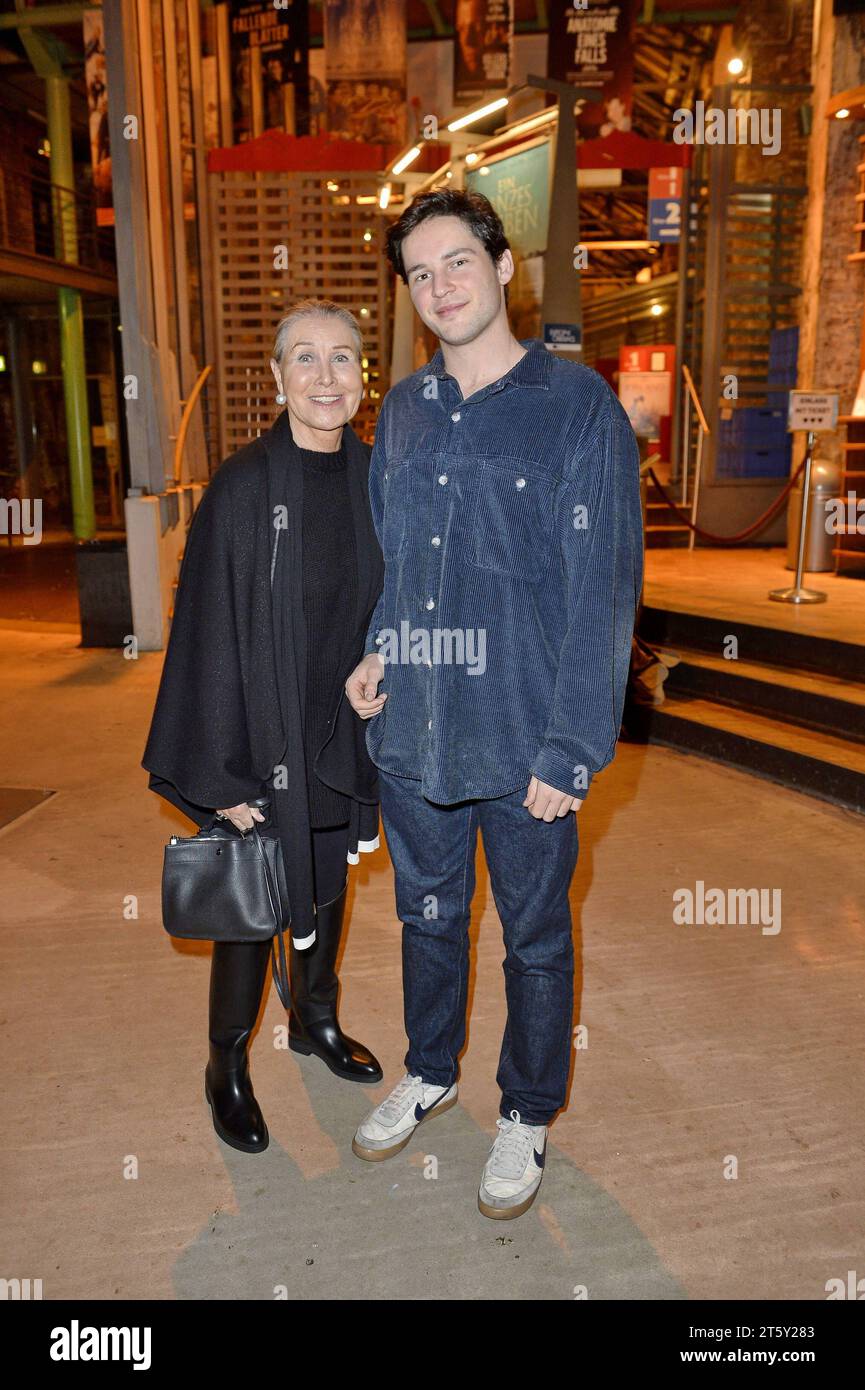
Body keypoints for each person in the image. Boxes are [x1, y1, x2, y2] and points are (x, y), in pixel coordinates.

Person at [345, 190, 644, 1219]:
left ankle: (525, 1112)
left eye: (457, 262)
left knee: (533, 936)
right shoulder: (408, 412)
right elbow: (395, 566)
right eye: (420, 273)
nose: (440, 286)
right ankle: (430, 1069)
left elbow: (603, 591)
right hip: (416, 734)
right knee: (425, 917)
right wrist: (376, 656)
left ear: (503, 267)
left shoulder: (577, 409)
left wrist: (570, 751)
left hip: (525, 741)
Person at [143, 300, 386, 1155]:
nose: (327, 377)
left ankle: (314, 1021)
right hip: (257, 744)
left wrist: (385, 660)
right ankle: (226, 1066)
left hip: (338, 736)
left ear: (365, 376)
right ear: (277, 379)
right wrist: (227, 778)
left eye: (344, 359)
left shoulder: (374, 475)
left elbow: (394, 603)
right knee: (251, 914)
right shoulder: (244, 489)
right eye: (306, 360)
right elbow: (206, 634)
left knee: (325, 889)